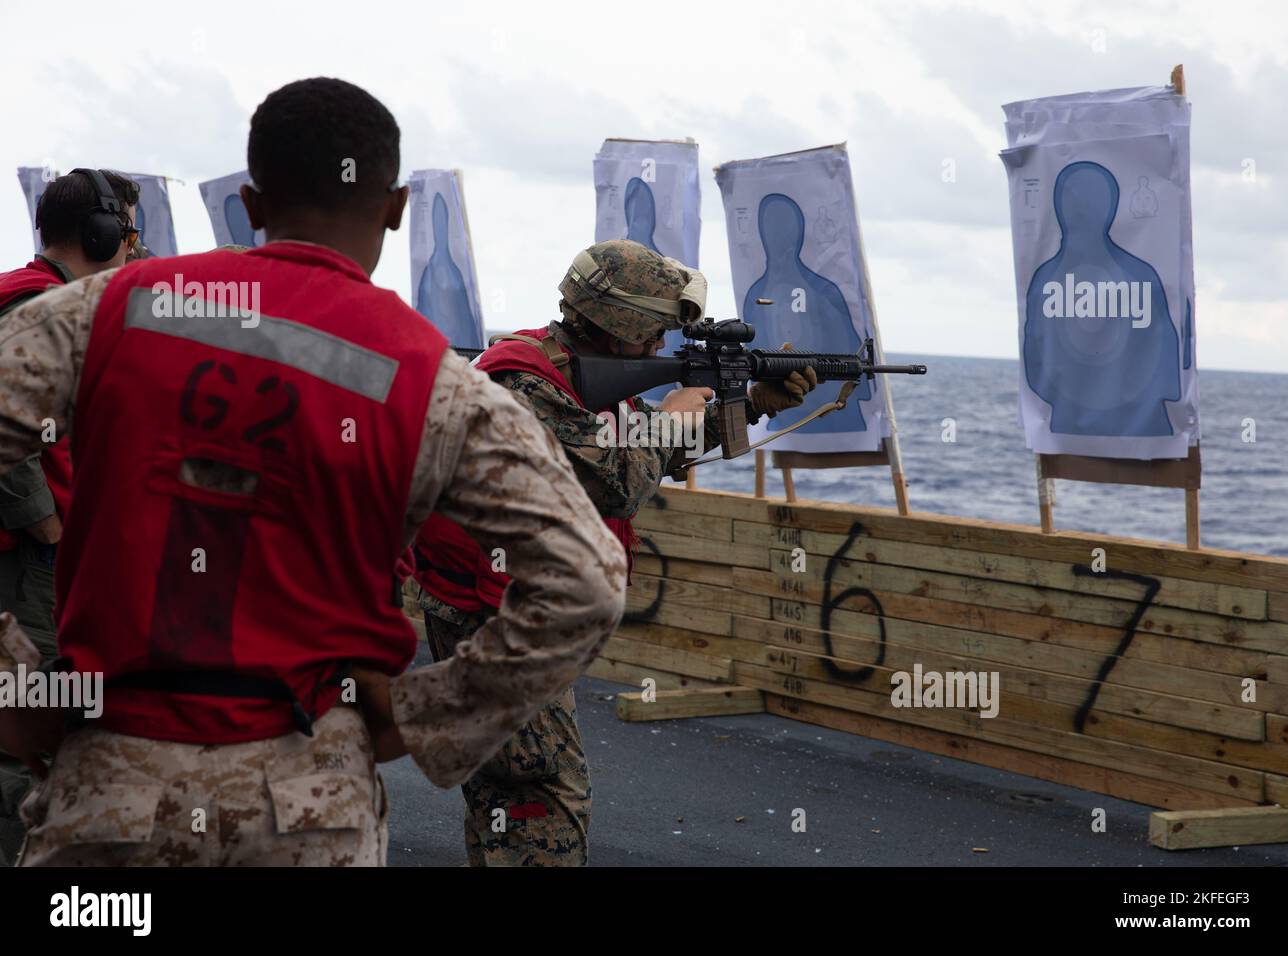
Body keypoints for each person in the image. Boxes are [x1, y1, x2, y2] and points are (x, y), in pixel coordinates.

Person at [0, 76, 625, 867]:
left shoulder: (106, 310)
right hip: (308, 800)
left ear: (254, 205)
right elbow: (588, 580)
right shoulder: (430, 376)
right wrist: (427, 715)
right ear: (395, 207)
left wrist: (18, 687)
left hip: (108, 786)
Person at [412, 238, 816, 865]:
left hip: (509, 607)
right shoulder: (524, 386)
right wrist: (681, 413)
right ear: (618, 322)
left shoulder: (565, 371)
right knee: (540, 796)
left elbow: (626, 450)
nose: (660, 346)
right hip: (489, 618)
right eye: (652, 331)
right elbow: (620, 482)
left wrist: (750, 406)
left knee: (512, 789)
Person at [0, 168, 141, 866]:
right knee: (24, 732)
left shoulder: (43, 302)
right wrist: (46, 528)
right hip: (29, 564)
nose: (133, 250)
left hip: (41, 557)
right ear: (103, 231)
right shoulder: (35, 307)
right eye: (129, 233)